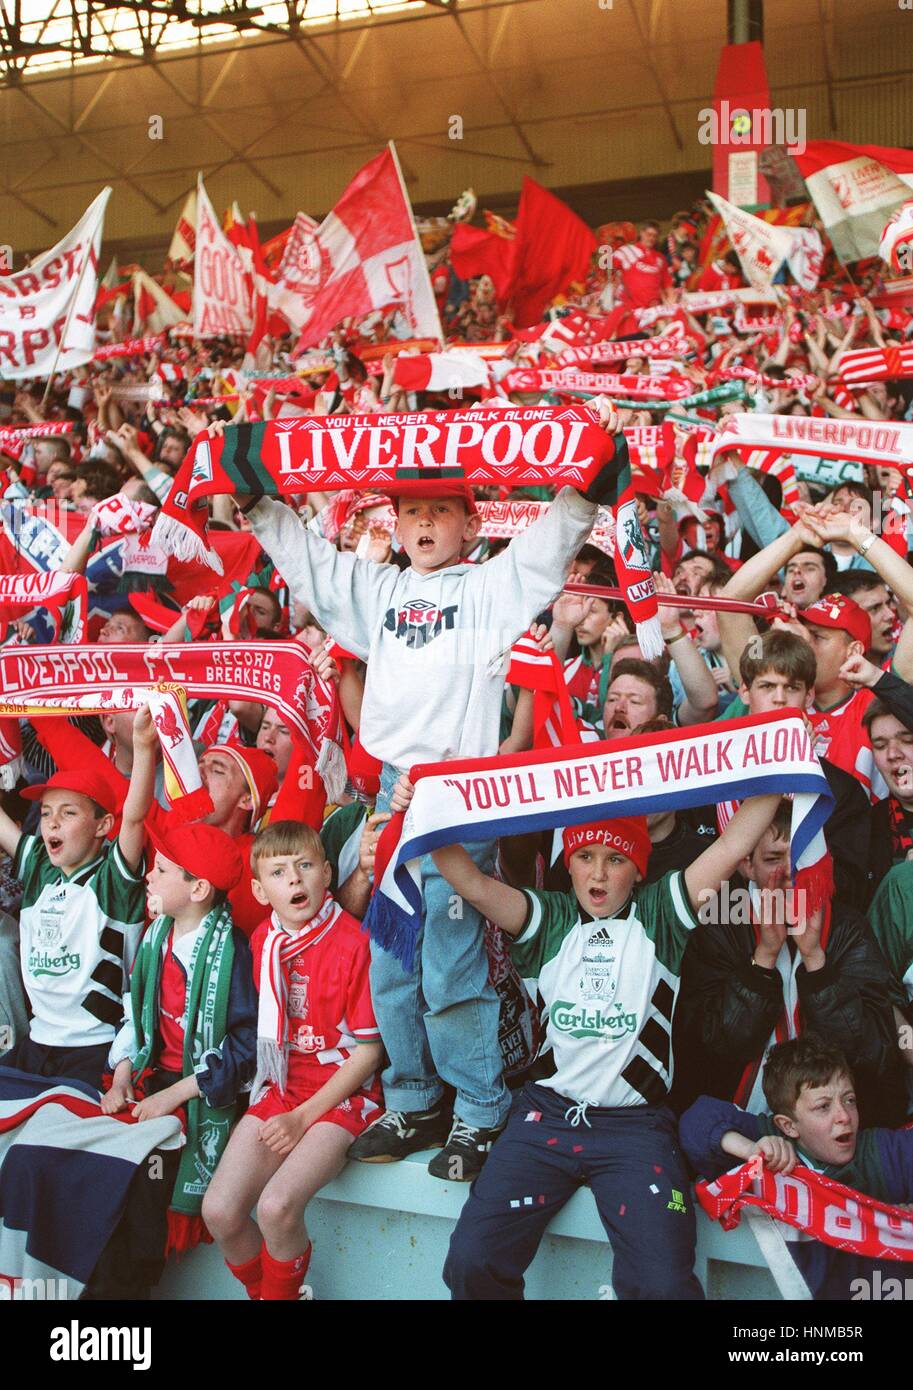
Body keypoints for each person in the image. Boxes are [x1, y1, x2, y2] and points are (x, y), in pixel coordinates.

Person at [234, 412, 632, 1179]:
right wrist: (255, 500)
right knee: (390, 959)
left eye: (438, 510)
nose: (421, 522)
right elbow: (309, 563)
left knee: (451, 964)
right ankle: (413, 1098)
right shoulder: (374, 590)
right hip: (391, 795)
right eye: (409, 510)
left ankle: (478, 1110)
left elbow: (551, 544)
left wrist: (586, 476)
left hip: (459, 800)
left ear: (469, 522)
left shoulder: (490, 588)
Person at [428, 782, 786, 1300]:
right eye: (585, 856)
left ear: (639, 868)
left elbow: (731, 846)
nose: (598, 873)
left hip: (634, 1128)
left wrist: (776, 771)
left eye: (616, 858)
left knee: (663, 1285)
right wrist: (425, 808)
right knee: (470, 1262)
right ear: (568, 862)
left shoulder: (662, 910)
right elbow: (471, 883)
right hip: (545, 1117)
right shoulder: (547, 917)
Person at [91, 707, 257, 1297]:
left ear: (199, 889)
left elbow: (242, 1051)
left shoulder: (230, 950)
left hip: (192, 1096)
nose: (150, 874)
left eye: (163, 869)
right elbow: (134, 1023)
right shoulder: (157, 936)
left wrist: (172, 1097)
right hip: (147, 1084)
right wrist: (120, 1079)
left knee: (141, 1221)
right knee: (97, 1193)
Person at [201, 821, 383, 1301]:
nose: (295, 881)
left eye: (304, 866)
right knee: (219, 1210)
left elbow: (370, 1050)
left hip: (343, 1091)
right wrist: (286, 1106)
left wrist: (302, 1117)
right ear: (261, 890)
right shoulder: (264, 941)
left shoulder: (353, 941)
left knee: (277, 1206)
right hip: (282, 1084)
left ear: (326, 874)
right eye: (279, 873)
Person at [673, 799, 905, 1128]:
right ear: (746, 865)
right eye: (773, 859)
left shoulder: (846, 928)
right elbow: (715, 1051)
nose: (790, 873)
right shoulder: (717, 927)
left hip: (835, 1128)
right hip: (742, 1121)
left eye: (802, 858)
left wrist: (816, 962)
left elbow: (871, 1054)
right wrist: (763, 960)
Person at [679, 1035, 913, 1299]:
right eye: (823, 1107)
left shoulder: (880, 1151)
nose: (844, 1116)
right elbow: (695, 1122)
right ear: (788, 1125)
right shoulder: (771, 1140)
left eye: (849, 1100)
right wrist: (752, 1151)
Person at [0, 750, 147, 1089]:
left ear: (104, 825)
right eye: (47, 812)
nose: (51, 822)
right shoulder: (41, 868)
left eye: (68, 813)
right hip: (36, 1043)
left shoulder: (113, 879)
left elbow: (136, 817)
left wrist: (143, 745)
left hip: (94, 1048)